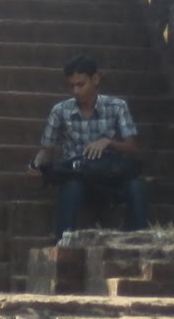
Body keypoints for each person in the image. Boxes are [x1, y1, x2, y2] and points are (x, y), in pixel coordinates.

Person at [27, 55, 148, 241]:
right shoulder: (60, 111)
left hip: (110, 176)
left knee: (136, 186)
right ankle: (63, 245)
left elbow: (133, 148)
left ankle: (139, 242)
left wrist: (109, 142)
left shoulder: (117, 106)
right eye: (71, 86)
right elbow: (46, 149)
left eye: (81, 84)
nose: (75, 91)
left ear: (95, 79)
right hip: (78, 176)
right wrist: (37, 164)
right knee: (72, 187)